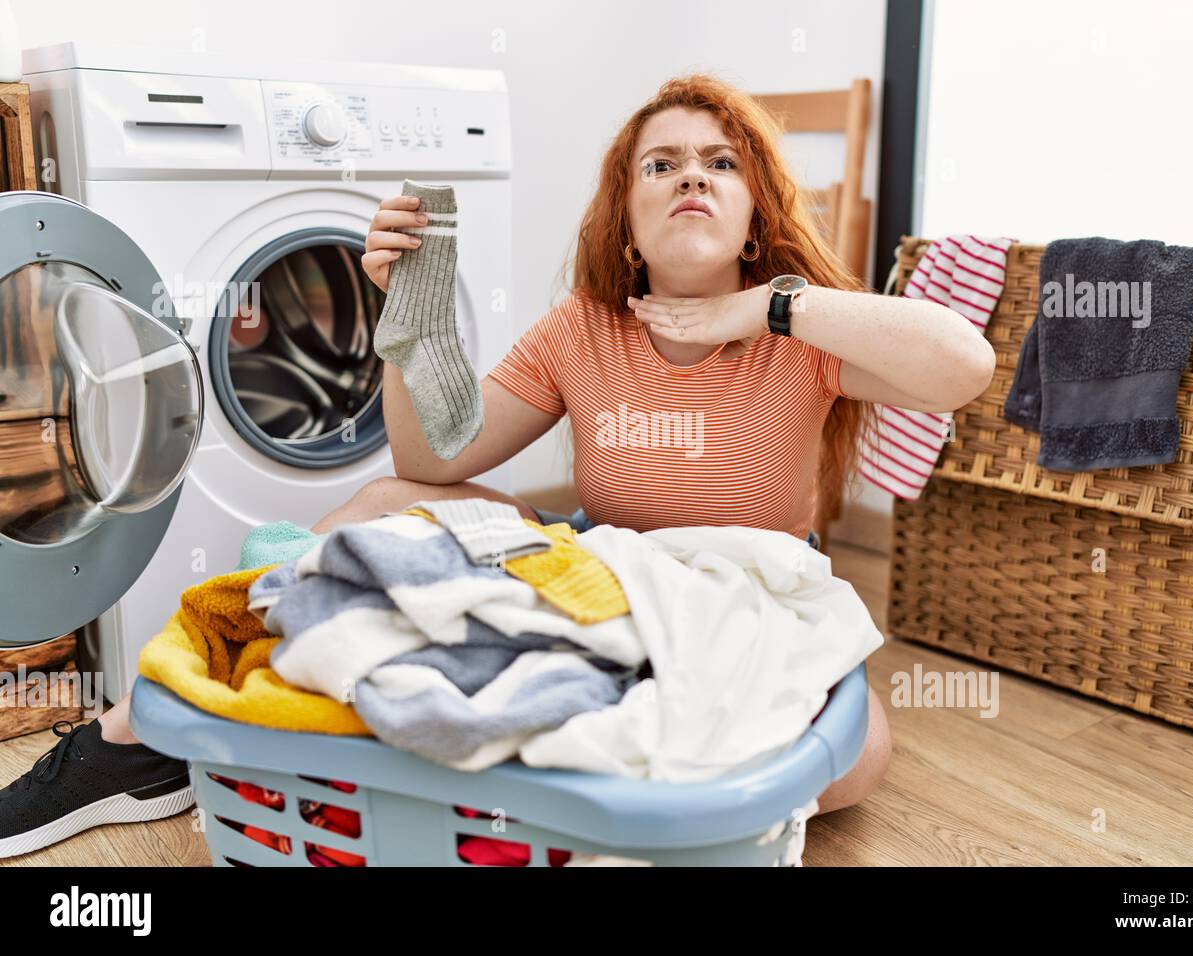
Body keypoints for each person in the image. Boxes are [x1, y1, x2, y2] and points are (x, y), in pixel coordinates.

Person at [0, 73, 993, 859]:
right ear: (627, 222)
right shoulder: (584, 328)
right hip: (605, 579)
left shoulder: (800, 328)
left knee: (857, 759)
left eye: (719, 161)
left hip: (740, 595)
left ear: (754, 211)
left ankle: (561, 792)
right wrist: (404, 311)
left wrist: (769, 304)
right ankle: (145, 735)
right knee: (384, 499)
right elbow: (434, 458)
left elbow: (962, 367)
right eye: (660, 165)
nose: (690, 174)